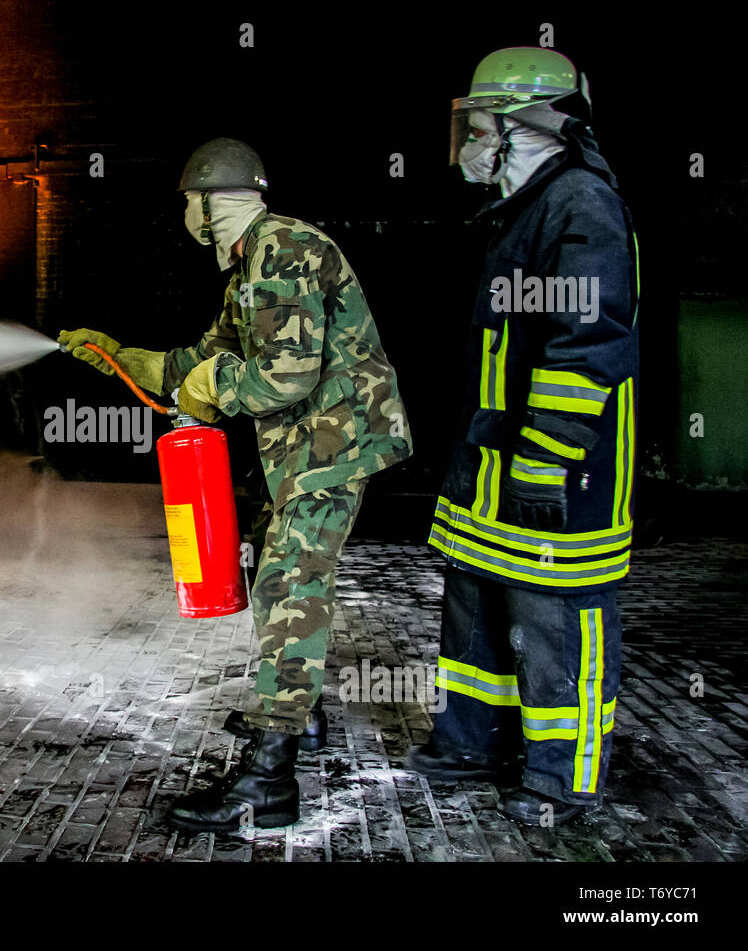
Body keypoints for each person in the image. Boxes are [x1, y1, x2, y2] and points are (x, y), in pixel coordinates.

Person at [59, 138, 412, 832]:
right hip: (307, 447)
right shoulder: (248, 268)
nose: (186, 215)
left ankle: (269, 777)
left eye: (188, 202)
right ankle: (297, 717)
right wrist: (116, 357)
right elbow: (200, 360)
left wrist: (209, 384)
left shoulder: (282, 249)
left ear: (208, 199)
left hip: (333, 445)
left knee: (289, 583)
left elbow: (285, 375)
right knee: (271, 562)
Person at [408, 48, 640, 826]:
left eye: (480, 125)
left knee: (556, 625)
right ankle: (471, 740)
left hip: (558, 478)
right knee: (473, 607)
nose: (470, 142)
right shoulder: (522, 211)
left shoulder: (582, 207)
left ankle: (559, 777)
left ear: (529, 127)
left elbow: (586, 346)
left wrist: (546, 458)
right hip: (492, 472)